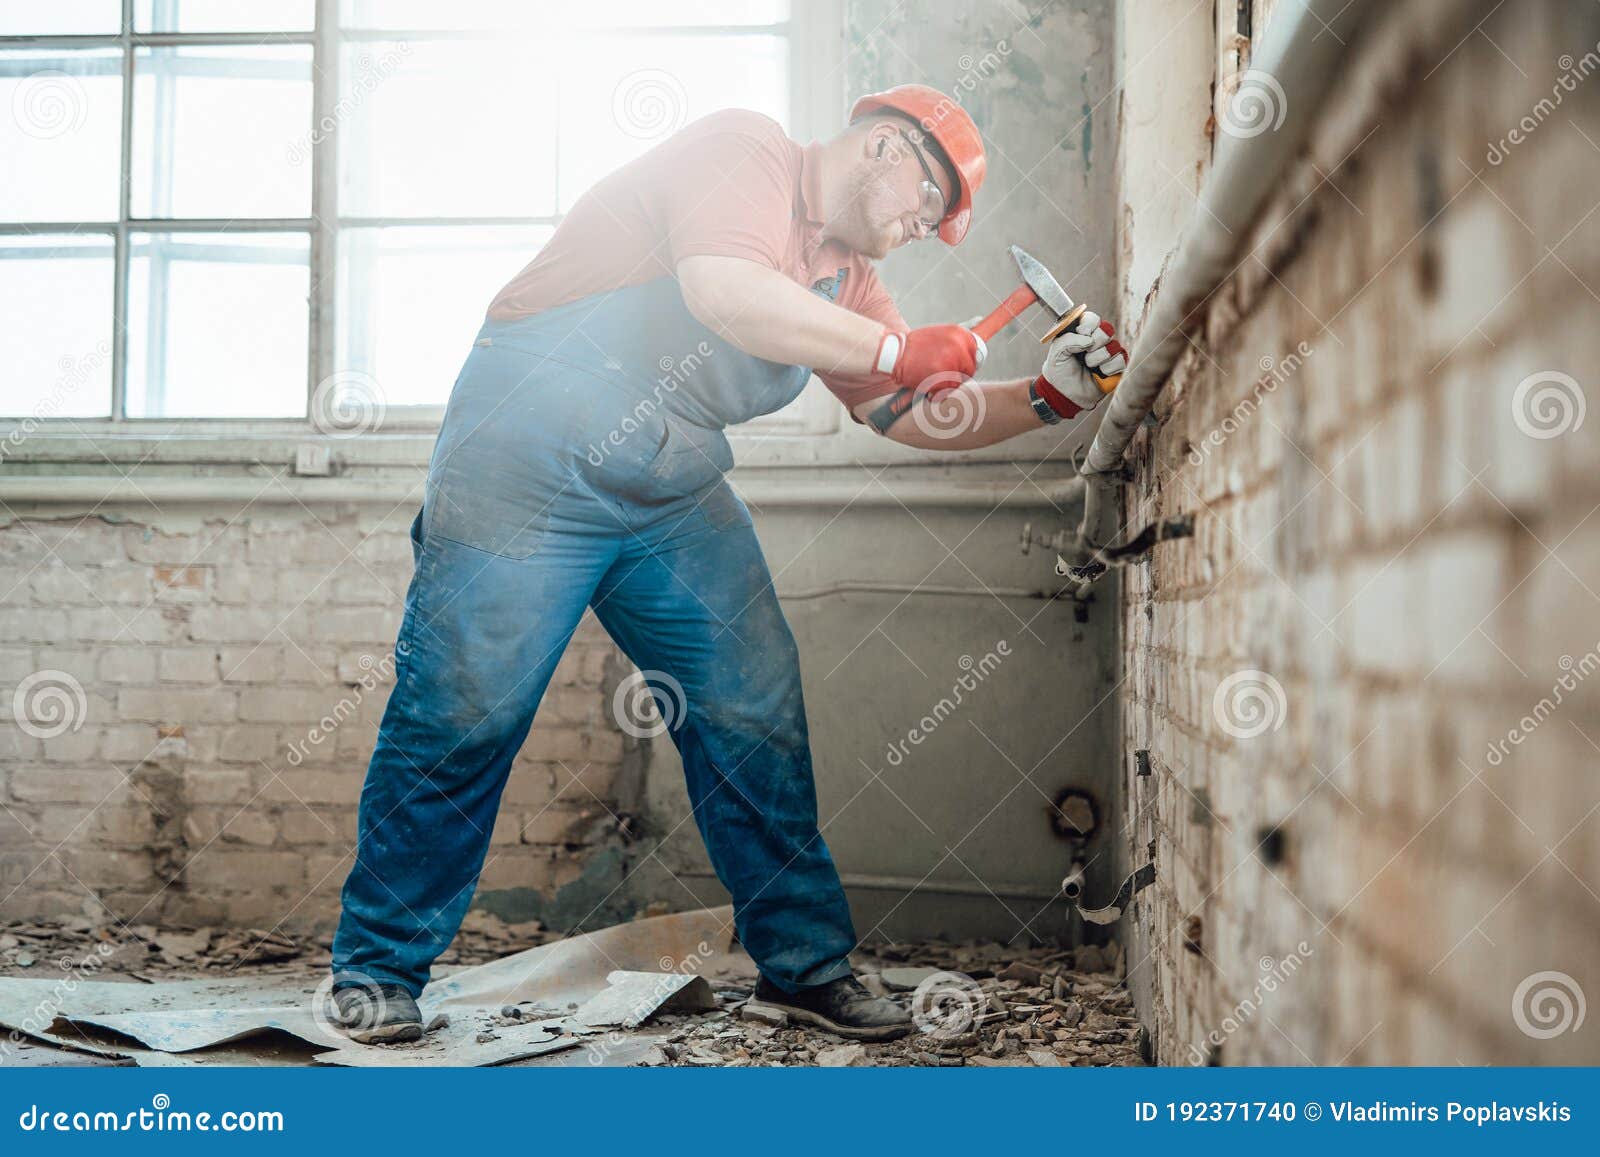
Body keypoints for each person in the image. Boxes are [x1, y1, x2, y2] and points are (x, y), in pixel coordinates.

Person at [328, 84, 1127, 1043]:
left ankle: (804, 966)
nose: (927, 229)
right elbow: (726, 291)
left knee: (753, 698)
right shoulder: (747, 151)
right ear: (885, 144)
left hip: (666, 481)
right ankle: (377, 969)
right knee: (468, 704)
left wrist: (1044, 397)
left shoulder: (853, 284)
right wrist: (897, 347)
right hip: (529, 444)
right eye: (932, 201)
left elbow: (908, 411)